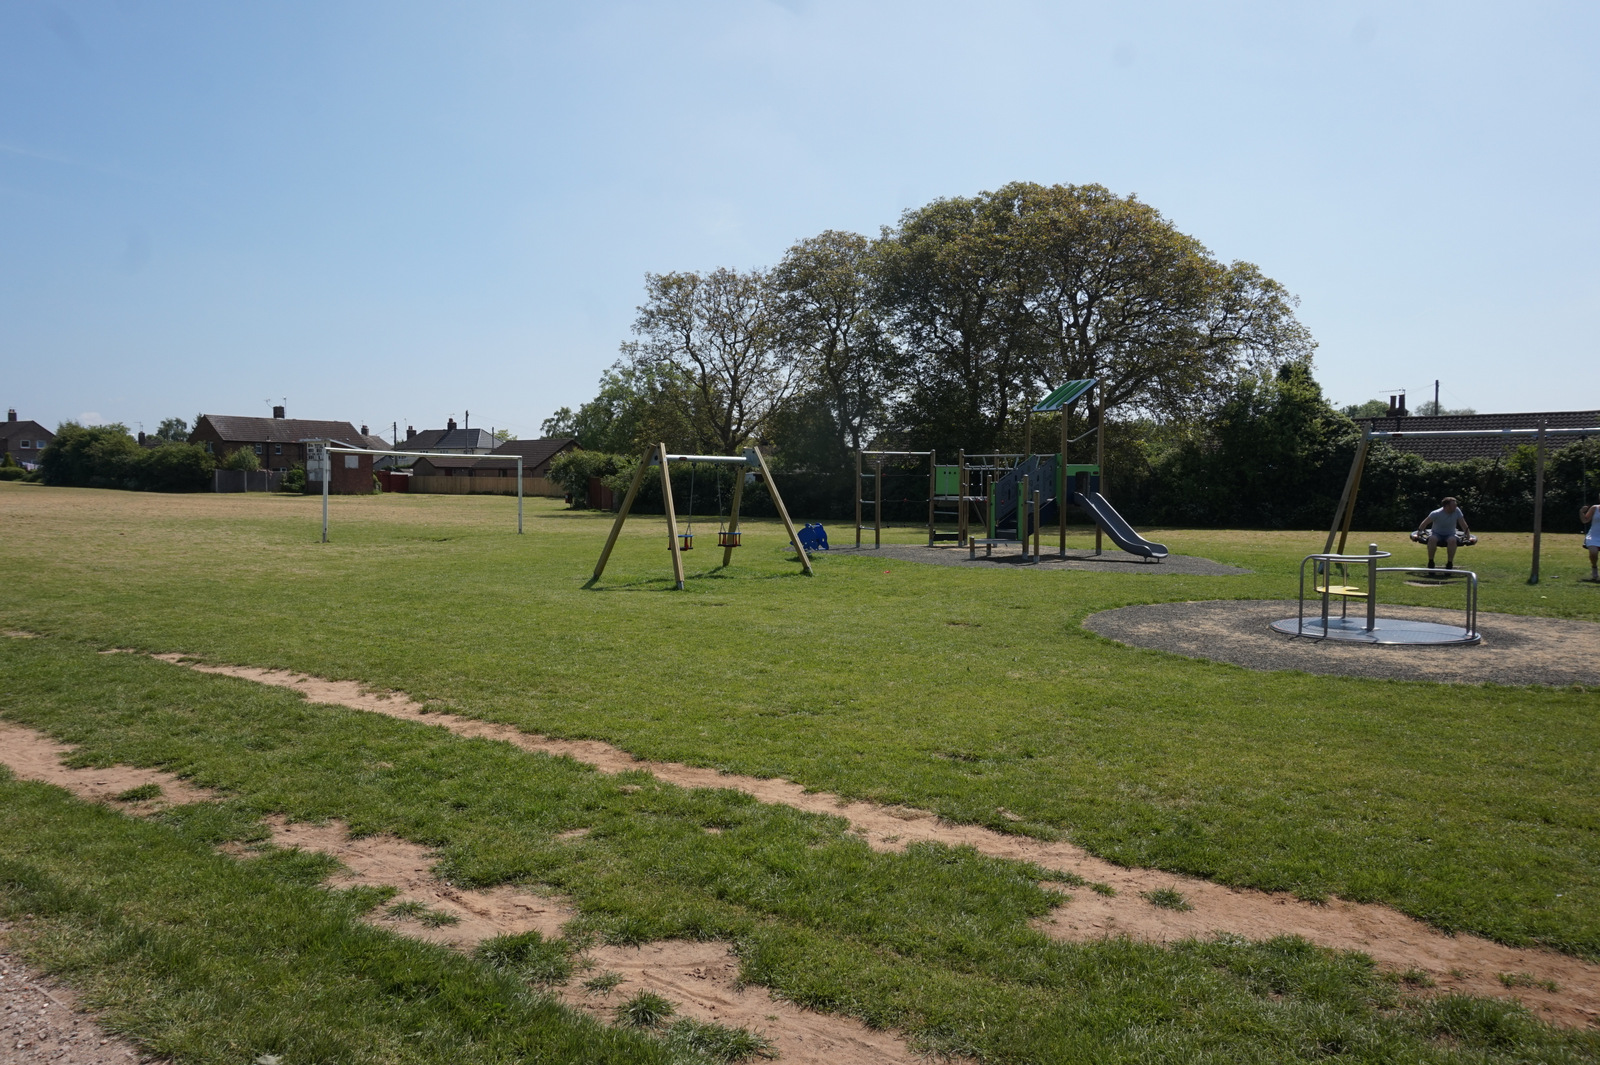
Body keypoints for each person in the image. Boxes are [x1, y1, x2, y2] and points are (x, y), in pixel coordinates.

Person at [1417, 497, 1472, 570]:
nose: (1456, 507)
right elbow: (1424, 523)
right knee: (1432, 539)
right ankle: (1431, 561)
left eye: (1456, 505)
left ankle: (1449, 563)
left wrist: (1468, 537)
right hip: (1436, 533)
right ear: (1447, 506)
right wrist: (1418, 534)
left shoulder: (1457, 511)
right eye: (1453, 505)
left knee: (1452, 540)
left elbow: (1463, 524)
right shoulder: (1436, 513)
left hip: (1450, 534)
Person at [1583, 494, 1600, 582]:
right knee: (1593, 552)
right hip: (1594, 535)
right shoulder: (1594, 508)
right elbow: (1585, 520)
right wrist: (1581, 512)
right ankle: (1594, 567)